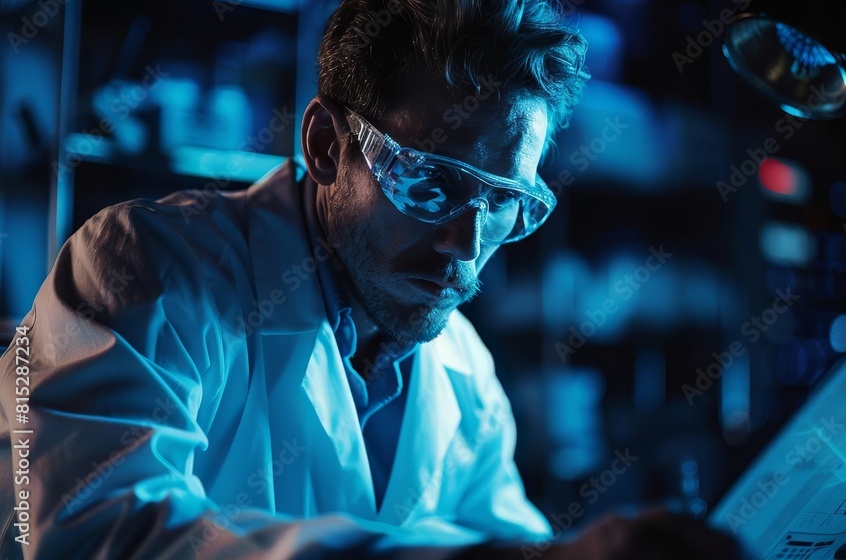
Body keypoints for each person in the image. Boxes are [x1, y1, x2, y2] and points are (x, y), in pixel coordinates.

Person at [0, 0, 744, 558]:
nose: (466, 244)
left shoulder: (465, 373)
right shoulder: (145, 268)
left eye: (503, 203)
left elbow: (514, 544)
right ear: (326, 144)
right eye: (432, 185)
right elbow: (91, 531)